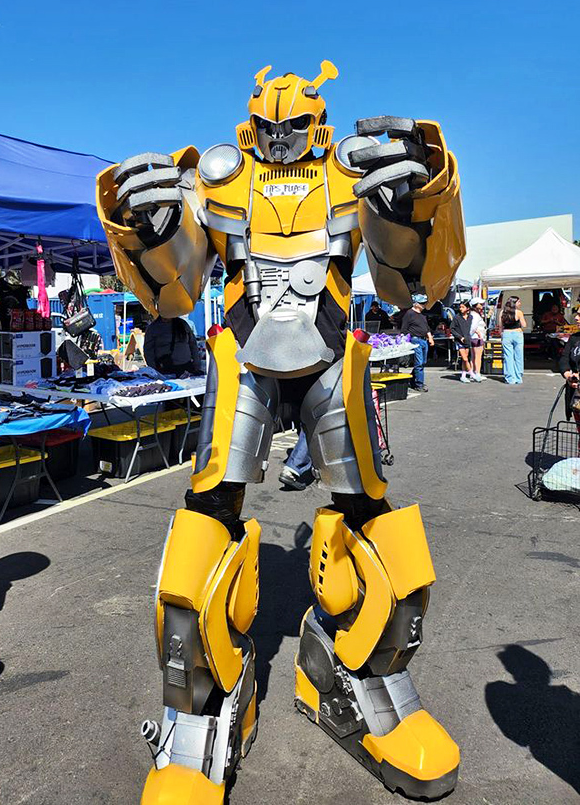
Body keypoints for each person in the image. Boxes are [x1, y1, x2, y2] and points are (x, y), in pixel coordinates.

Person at [99, 63, 465, 799]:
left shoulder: (345, 173)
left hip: (332, 353)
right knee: (209, 510)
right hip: (242, 351)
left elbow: (413, 283)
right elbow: (177, 286)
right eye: (269, 126)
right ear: (250, 122)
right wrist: (154, 227)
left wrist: (419, 197)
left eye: (291, 127)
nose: (279, 138)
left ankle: (364, 674)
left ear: (316, 124)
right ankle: (196, 717)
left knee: (368, 513)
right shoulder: (220, 176)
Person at [401, 295, 434, 392]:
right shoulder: (409, 314)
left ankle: (412, 378)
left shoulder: (422, 315)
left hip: (424, 340)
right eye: (422, 303)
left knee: (423, 362)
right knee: (419, 363)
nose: (424, 305)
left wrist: (430, 337)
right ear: (416, 304)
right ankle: (419, 384)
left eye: (424, 303)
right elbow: (404, 329)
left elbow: (426, 327)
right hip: (415, 340)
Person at [559, 307, 580, 437]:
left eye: (579, 315)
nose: (576, 318)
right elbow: (564, 359)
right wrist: (568, 375)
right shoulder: (574, 338)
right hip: (576, 396)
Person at [499, 295, 527, 384]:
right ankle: (518, 377)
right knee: (518, 356)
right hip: (517, 333)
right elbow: (524, 325)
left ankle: (510, 378)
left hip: (506, 334)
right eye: (518, 302)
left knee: (508, 356)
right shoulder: (519, 312)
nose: (520, 303)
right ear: (514, 303)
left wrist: (501, 334)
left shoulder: (502, 312)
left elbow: (500, 326)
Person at [450, 300, 476, 383]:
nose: (460, 309)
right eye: (460, 307)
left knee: (466, 358)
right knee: (464, 359)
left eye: (462, 307)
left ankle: (463, 375)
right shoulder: (456, 317)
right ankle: (472, 374)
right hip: (459, 340)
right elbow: (452, 329)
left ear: (467, 308)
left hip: (467, 340)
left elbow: (471, 328)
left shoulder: (470, 317)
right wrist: (459, 337)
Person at [469, 298, 487, 381]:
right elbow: (473, 327)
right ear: (475, 305)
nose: (482, 305)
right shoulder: (475, 315)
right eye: (480, 304)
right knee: (478, 357)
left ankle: (472, 374)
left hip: (473, 338)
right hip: (477, 338)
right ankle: (477, 373)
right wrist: (478, 333)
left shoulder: (472, 314)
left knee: (473, 356)